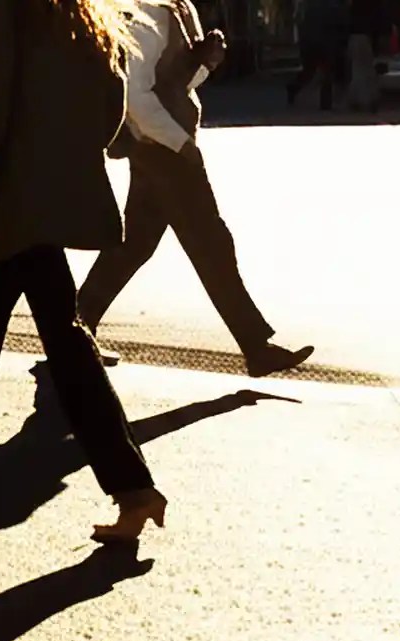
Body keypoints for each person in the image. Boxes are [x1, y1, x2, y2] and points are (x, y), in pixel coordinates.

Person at [0, 0, 167, 543]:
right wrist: (67, 157)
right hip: (49, 194)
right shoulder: (84, 9)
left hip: (9, 194)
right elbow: (110, 107)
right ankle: (133, 489)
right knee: (31, 334)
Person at [74, 0, 315, 378]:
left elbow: (176, 83)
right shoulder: (143, 16)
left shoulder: (175, 9)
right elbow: (135, 95)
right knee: (211, 243)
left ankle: (75, 330)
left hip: (163, 147)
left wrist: (205, 61)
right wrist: (179, 144)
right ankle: (255, 347)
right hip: (163, 151)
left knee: (135, 245)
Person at [288, 0, 350, 109]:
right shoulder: (335, 7)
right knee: (327, 71)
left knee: (310, 70)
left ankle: (294, 87)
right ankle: (325, 101)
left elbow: (304, 24)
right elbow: (342, 24)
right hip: (327, 41)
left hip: (311, 41)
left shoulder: (312, 6)